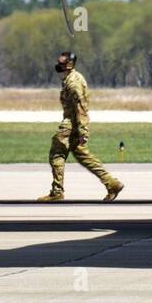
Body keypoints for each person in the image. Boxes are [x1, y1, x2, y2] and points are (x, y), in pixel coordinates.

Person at [37, 52, 123, 202]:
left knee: (56, 154)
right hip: (74, 123)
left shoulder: (73, 82)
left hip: (72, 124)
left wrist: (83, 130)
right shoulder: (70, 79)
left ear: (69, 64)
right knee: (84, 157)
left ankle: (57, 191)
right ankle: (112, 183)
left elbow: (80, 107)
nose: (59, 64)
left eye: (62, 62)